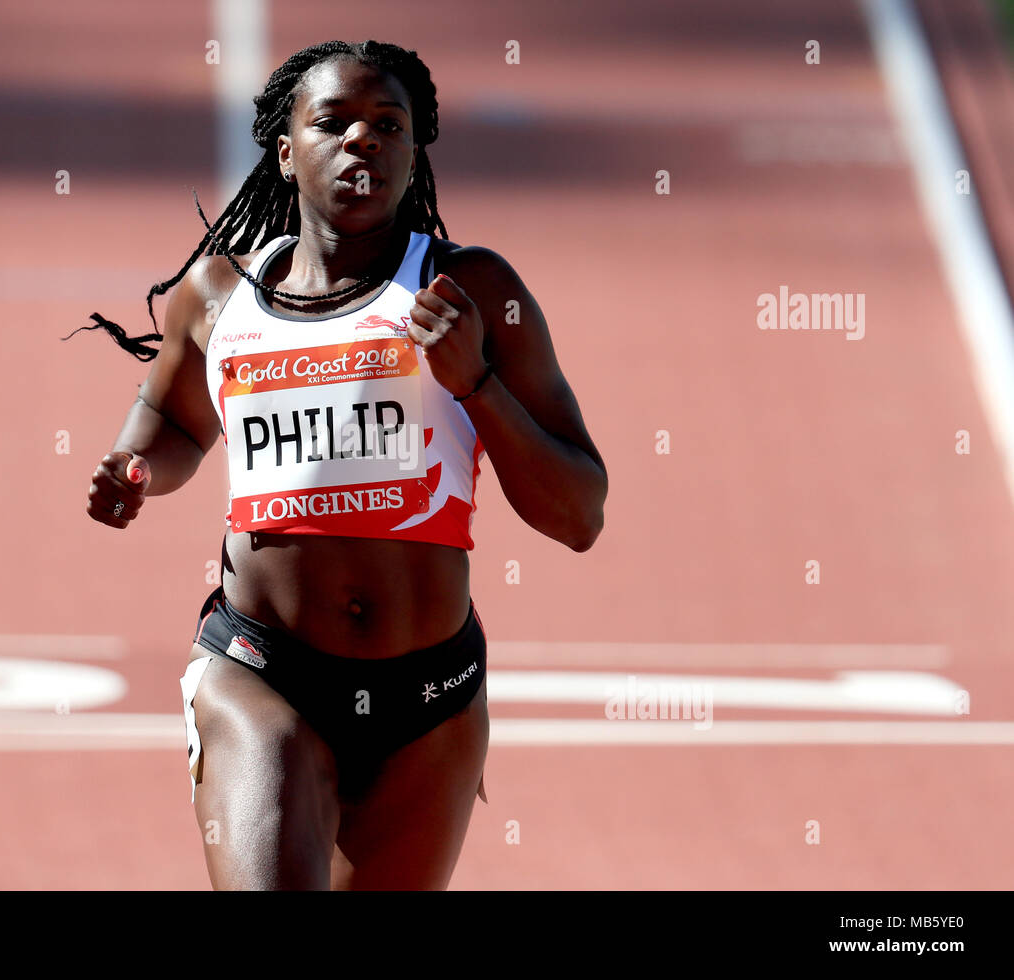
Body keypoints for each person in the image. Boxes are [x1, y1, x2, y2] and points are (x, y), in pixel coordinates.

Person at [71, 40, 607, 889]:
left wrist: (476, 384)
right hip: (266, 677)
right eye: (334, 123)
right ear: (286, 152)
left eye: (388, 125)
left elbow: (579, 515)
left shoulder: (467, 289)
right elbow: (169, 421)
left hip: (431, 697)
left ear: (413, 152)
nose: (363, 141)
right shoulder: (219, 298)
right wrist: (135, 469)